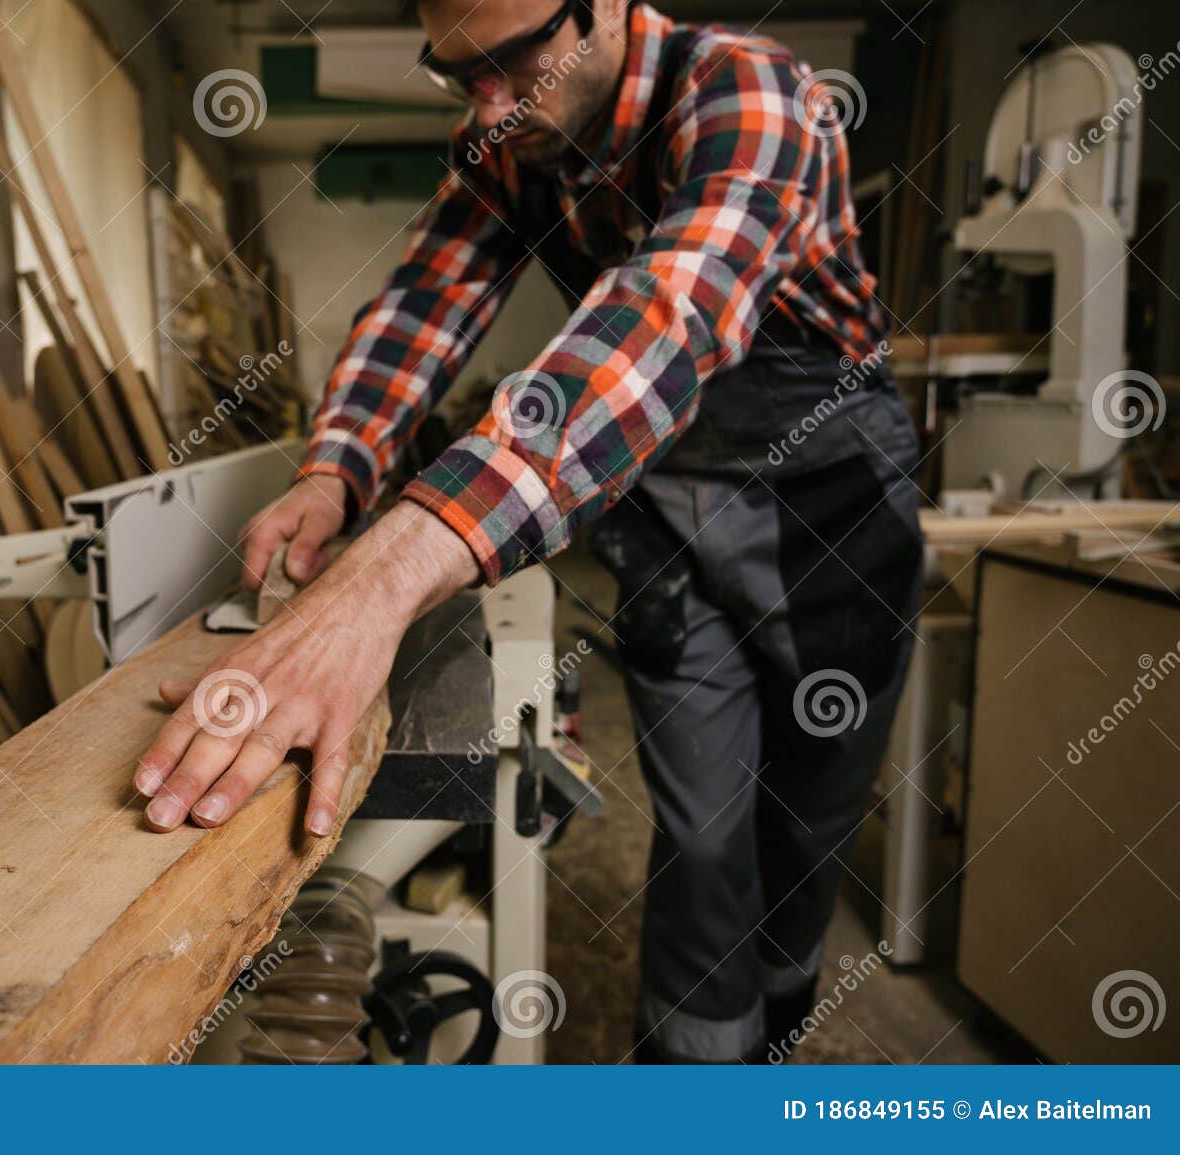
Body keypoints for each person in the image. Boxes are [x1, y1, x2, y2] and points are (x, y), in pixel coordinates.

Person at [134, 0, 924, 1064]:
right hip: (667, 508)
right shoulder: (505, 141)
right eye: (461, 74)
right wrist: (335, 471)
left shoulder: (750, 94)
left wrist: (380, 581)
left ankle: (775, 1031)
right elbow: (424, 303)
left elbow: (667, 313)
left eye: (516, 63)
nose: (491, 105)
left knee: (802, 832)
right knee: (698, 836)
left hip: (822, 506)